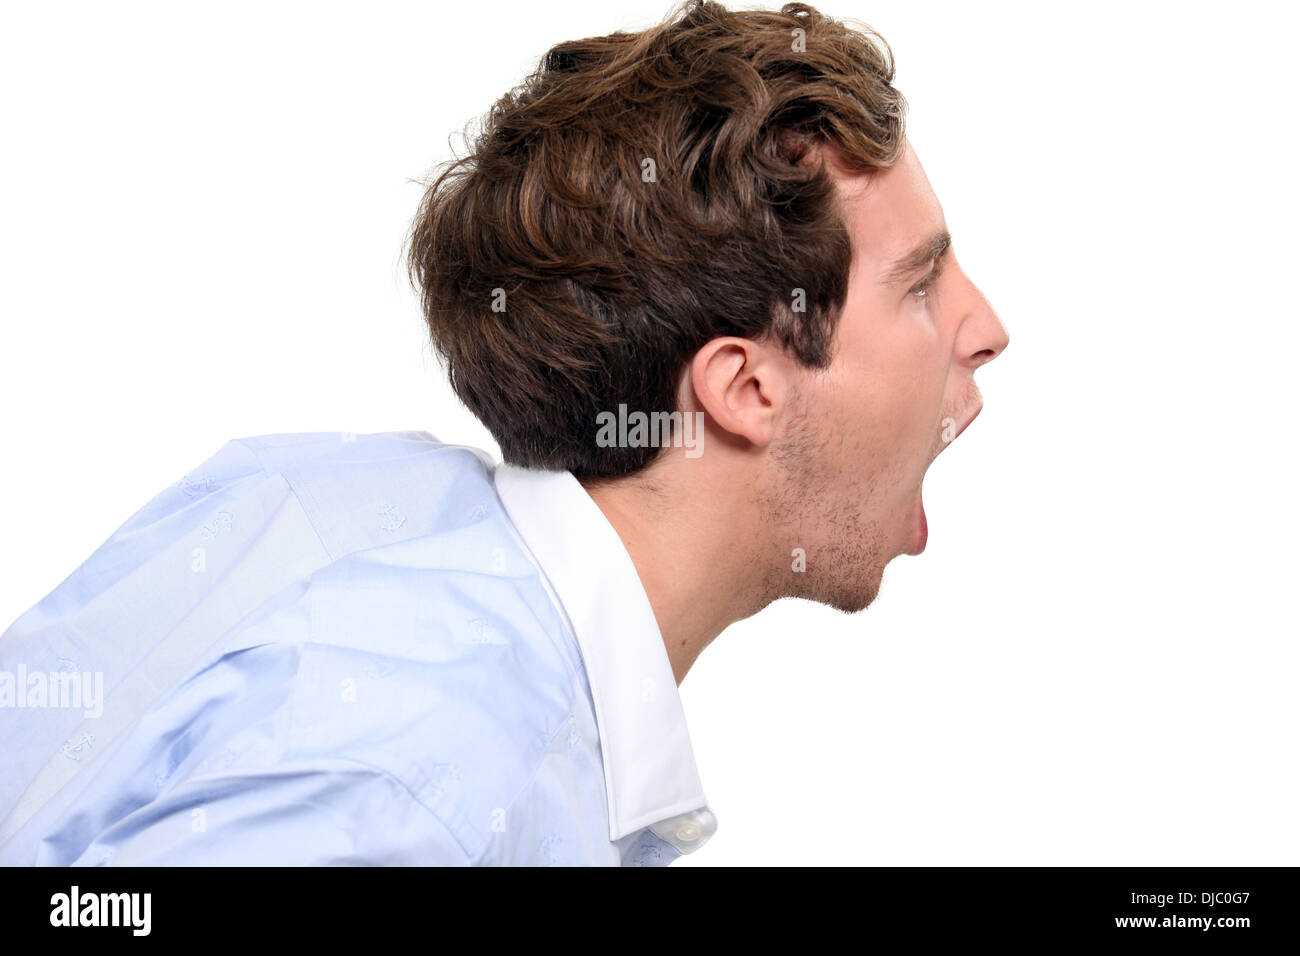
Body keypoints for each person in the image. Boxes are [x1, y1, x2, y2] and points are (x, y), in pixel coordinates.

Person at [0, 0, 1008, 866]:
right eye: (919, 282)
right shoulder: (434, 784)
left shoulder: (328, 499)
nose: (986, 326)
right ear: (742, 387)